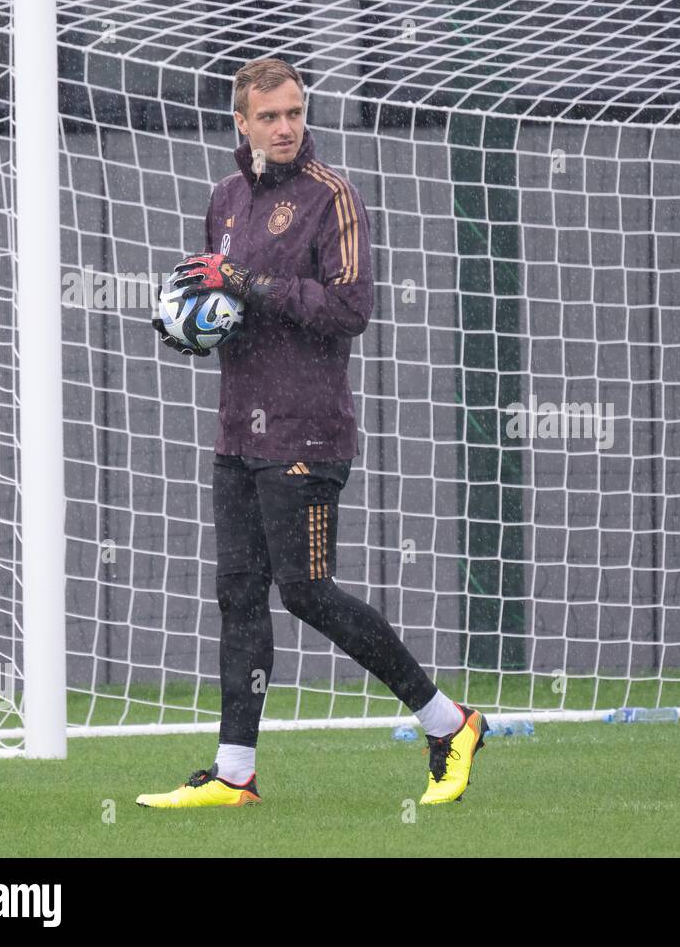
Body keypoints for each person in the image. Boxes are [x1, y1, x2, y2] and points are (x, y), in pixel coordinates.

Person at [139, 58, 486, 809]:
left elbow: (350, 309)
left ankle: (448, 722)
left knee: (305, 590)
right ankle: (234, 775)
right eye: (269, 116)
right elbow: (225, 303)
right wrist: (193, 325)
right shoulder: (226, 200)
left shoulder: (335, 199)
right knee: (239, 595)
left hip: (309, 433)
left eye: (295, 111)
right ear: (242, 124)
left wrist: (248, 288)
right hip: (238, 430)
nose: (286, 126)